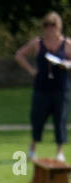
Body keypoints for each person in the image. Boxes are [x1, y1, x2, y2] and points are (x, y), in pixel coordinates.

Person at [16, 12, 70, 163]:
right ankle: (33, 148)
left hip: (60, 88)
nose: (50, 29)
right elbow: (19, 54)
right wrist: (31, 70)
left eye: (53, 25)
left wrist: (66, 64)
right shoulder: (37, 43)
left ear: (58, 26)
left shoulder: (66, 44)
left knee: (60, 119)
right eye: (47, 25)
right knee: (37, 118)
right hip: (41, 88)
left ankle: (59, 151)